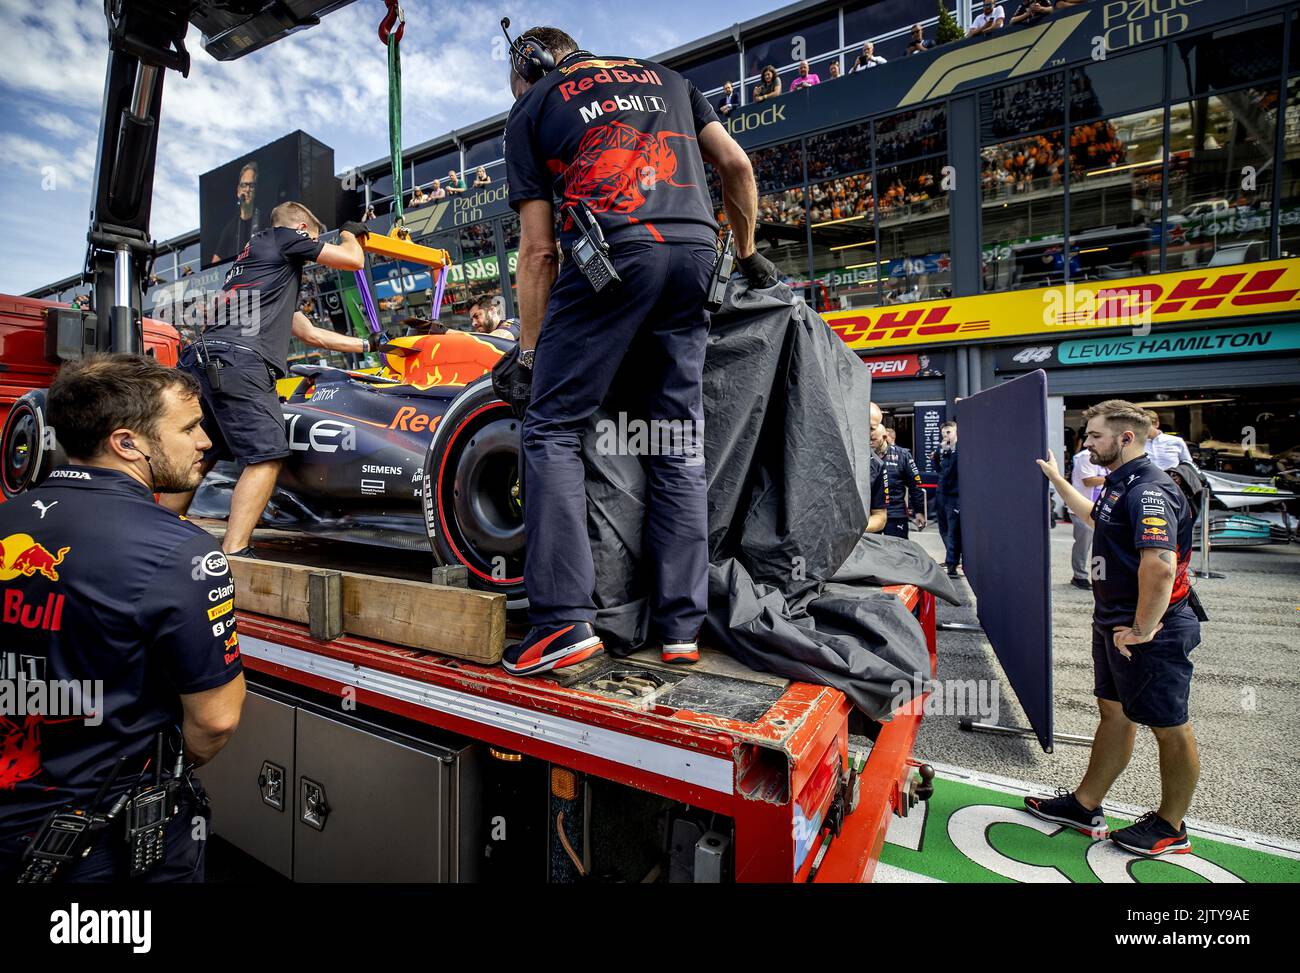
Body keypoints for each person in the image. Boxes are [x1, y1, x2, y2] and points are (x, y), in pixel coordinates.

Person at [501, 25, 776, 675]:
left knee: (549, 428)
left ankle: (562, 622)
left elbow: (539, 251)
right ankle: (681, 627)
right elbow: (736, 166)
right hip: (694, 256)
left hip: (614, 251)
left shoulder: (533, 109)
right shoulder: (669, 80)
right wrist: (746, 250)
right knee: (676, 441)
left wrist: (531, 355)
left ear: (530, 63)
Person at [0, 354, 246, 882]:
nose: (205, 441)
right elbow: (215, 720)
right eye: (189, 427)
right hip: (107, 845)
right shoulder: (179, 551)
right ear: (127, 442)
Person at [1031, 400, 1202, 858]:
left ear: (1126, 438)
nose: (1086, 442)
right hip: (1114, 623)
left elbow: (1160, 567)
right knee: (1114, 712)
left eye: (1094, 435)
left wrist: (1144, 628)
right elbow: (1096, 519)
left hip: (1149, 629)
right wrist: (1058, 481)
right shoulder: (1119, 483)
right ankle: (1085, 806)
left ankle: (1171, 826)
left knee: (1169, 726)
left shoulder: (1149, 490)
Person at [161, 203, 379, 555]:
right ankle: (235, 550)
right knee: (266, 456)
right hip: (238, 361)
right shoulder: (285, 238)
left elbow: (308, 333)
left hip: (202, 360)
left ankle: (162, 535)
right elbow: (353, 260)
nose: (312, 246)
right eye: (313, 237)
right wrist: (350, 234)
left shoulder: (257, 265)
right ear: (303, 228)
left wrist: (370, 343)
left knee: (200, 453)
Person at [876, 422, 925, 538]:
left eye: (874, 437)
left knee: (899, 552)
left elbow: (915, 484)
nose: (871, 440)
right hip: (871, 515)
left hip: (895, 513)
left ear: (884, 437)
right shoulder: (864, 455)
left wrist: (919, 511)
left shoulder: (903, 455)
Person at [1069, 442, 1106, 590]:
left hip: (1102, 508)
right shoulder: (1085, 457)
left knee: (1101, 547)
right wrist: (1116, 476)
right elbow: (1088, 480)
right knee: (1083, 545)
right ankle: (1079, 576)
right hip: (1083, 508)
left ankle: (1099, 578)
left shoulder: (1108, 457)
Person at [212, 161, 261, 264]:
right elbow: (214, 264)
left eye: (251, 185)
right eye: (244, 185)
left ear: (256, 190)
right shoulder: (230, 228)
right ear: (238, 190)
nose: (247, 189)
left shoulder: (265, 220)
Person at [931, 419, 961, 577]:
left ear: (956, 432)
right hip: (941, 493)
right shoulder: (942, 448)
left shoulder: (960, 449)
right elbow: (937, 467)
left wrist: (947, 454)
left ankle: (952, 563)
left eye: (948, 432)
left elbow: (950, 471)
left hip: (954, 495)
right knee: (943, 529)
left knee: (953, 531)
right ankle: (952, 558)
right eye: (943, 433)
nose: (946, 436)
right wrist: (937, 456)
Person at [865, 404, 891, 533]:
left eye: (871, 428)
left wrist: (851, 530)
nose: (866, 431)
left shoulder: (876, 464)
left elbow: (880, 516)